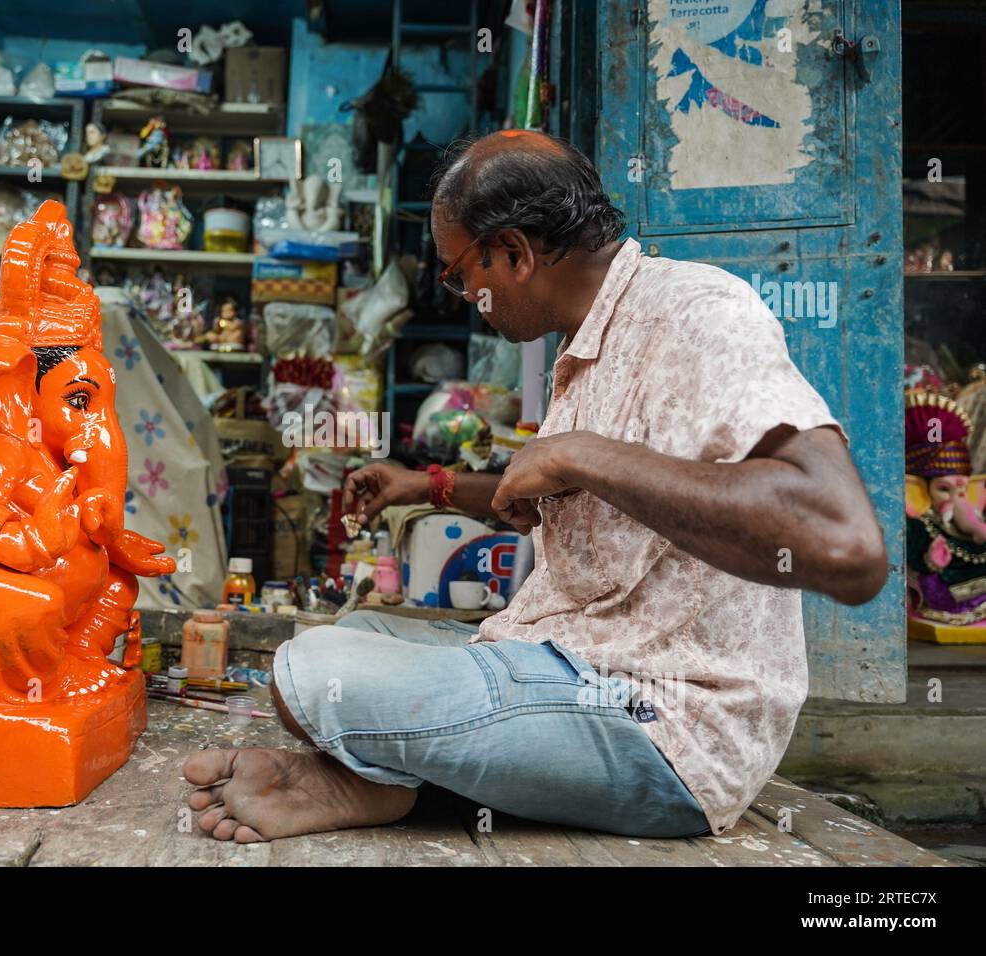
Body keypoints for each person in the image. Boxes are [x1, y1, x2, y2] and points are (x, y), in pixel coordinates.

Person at [182, 130, 887, 844]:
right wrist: (425, 484)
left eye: (461, 275)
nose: (465, 297)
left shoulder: (697, 313)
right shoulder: (587, 346)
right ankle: (379, 784)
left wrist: (585, 454)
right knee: (357, 631)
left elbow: (844, 544)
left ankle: (378, 774)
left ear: (515, 253)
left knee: (312, 669)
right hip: (560, 665)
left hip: (661, 724)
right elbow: (563, 497)